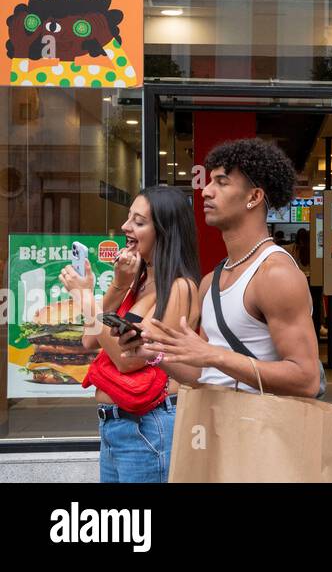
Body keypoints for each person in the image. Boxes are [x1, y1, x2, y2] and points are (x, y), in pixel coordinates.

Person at [122, 138, 321, 399]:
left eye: (222, 182)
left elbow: (306, 380)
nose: (206, 191)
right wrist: (154, 354)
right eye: (209, 180)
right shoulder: (210, 281)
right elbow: (204, 374)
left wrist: (215, 355)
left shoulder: (275, 274)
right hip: (219, 431)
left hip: (265, 433)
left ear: (254, 197)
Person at [59, 186, 200, 483]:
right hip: (116, 428)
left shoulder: (180, 288)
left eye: (138, 221)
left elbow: (128, 360)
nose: (125, 227)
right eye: (128, 219)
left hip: (147, 427)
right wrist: (119, 285)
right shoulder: (139, 280)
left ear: (164, 230)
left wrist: (85, 299)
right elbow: (89, 339)